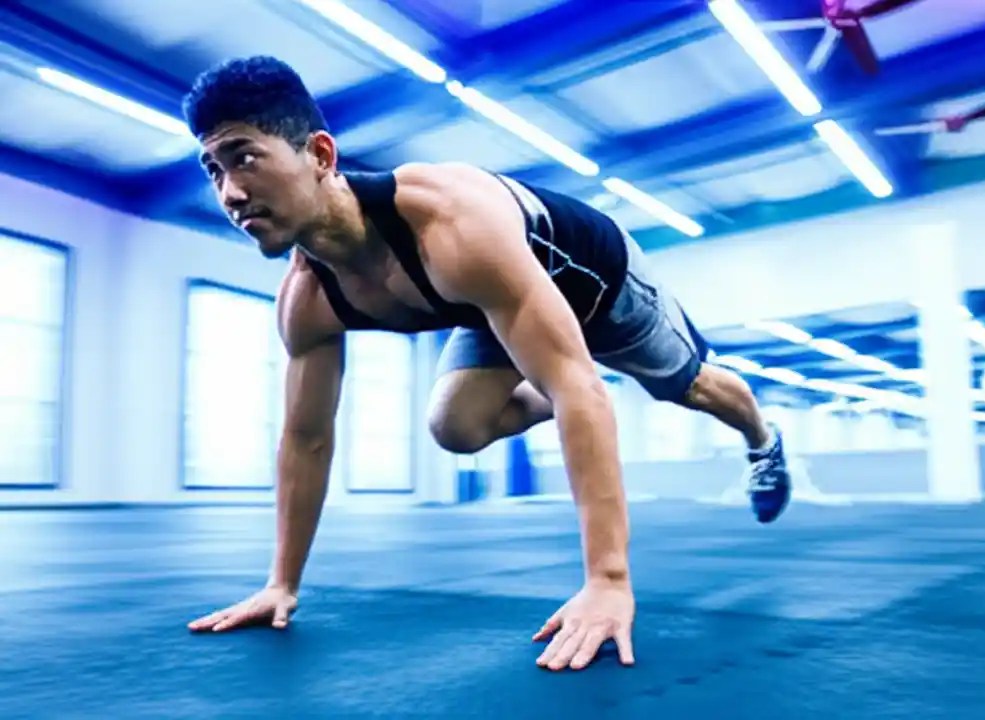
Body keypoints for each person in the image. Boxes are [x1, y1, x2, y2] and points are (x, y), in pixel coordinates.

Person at [181, 56, 792, 671]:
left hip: (597, 281)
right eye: (213, 169)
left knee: (687, 388)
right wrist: (281, 584)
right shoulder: (308, 301)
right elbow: (307, 440)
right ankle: (569, 375)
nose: (230, 192)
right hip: (496, 306)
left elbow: (576, 385)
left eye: (244, 157)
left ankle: (763, 440)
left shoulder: (448, 224)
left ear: (319, 153)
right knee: (456, 427)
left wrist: (607, 581)